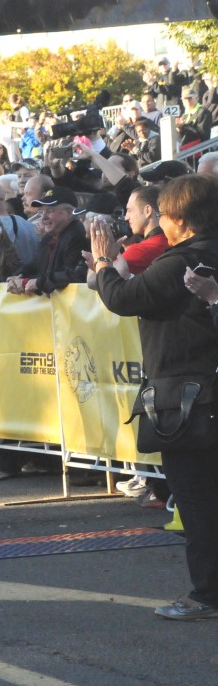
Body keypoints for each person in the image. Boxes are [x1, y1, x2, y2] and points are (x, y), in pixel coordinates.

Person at [92, 175, 218, 620]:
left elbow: (123, 298)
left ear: (180, 218)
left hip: (190, 399)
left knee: (197, 501)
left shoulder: (183, 260)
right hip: (200, 392)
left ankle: (206, 594)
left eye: (163, 214)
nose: (160, 223)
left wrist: (103, 262)